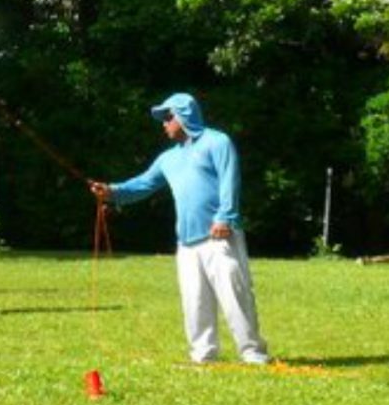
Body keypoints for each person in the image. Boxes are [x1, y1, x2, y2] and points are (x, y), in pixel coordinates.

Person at [89, 93, 271, 365]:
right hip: (186, 243)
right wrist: (112, 192)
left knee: (235, 295)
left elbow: (229, 182)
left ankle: (253, 353)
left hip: (220, 236)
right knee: (194, 301)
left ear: (184, 115)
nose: (164, 123)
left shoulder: (217, 142)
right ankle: (203, 355)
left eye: (167, 117)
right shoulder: (168, 159)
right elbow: (142, 184)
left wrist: (225, 217)